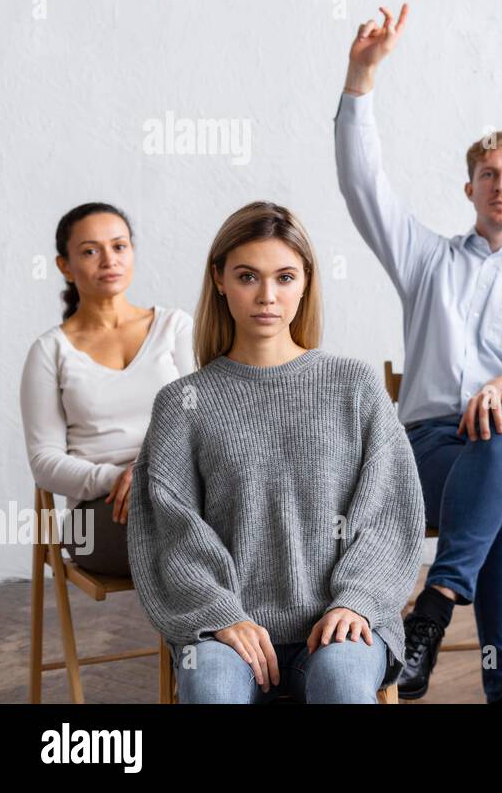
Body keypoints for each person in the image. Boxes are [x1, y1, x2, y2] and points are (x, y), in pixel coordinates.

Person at [334, 3, 502, 703]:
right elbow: (364, 188)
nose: (501, 184)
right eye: (488, 173)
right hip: (435, 451)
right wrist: (362, 76)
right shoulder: (427, 261)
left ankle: (435, 605)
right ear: (469, 187)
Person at [126, 202, 426, 704]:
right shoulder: (182, 404)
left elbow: (391, 515)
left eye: (284, 277)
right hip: (225, 630)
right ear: (219, 279)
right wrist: (221, 614)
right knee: (212, 689)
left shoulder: (353, 386)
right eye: (248, 277)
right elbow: (169, 534)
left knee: (342, 681)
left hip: (342, 620)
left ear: (306, 281)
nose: (267, 296)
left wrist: (357, 601)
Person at [20, 203, 195, 576]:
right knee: (194, 542)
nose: (108, 260)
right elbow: (44, 461)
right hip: (101, 509)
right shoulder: (50, 351)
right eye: (89, 251)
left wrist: (148, 469)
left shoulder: (175, 328)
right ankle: (210, 632)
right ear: (64, 266)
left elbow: (204, 423)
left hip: (178, 488)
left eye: (119, 246)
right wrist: (114, 479)